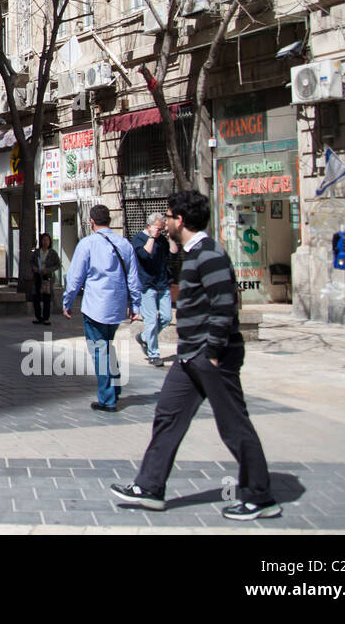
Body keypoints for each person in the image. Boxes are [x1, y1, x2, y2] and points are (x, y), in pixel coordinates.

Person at [112, 190, 281, 520]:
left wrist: (214, 351)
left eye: (168, 215)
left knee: (233, 424)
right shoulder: (193, 253)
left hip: (210, 354)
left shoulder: (209, 254)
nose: (164, 221)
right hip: (189, 356)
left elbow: (225, 304)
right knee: (167, 414)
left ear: (180, 220)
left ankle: (260, 496)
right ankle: (150, 487)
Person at [61, 204, 142, 412]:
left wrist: (67, 302)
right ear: (110, 220)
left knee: (100, 351)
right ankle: (114, 387)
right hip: (116, 306)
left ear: (91, 221)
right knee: (107, 346)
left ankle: (108, 398)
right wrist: (135, 305)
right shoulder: (124, 244)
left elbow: (75, 277)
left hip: (95, 305)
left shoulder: (87, 244)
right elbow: (133, 278)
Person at [132, 212, 176, 367]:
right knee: (150, 321)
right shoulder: (139, 239)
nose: (159, 232)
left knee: (166, 317)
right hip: (147, 285)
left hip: (162, 283)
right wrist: (151, 237)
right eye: (157, 228)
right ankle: (153, 354)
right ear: (149, 226)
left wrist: (170, 237)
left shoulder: (162, 240)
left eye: (161, 229)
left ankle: (144, 337)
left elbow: (173, 255)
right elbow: (144, 255)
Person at [29, 233, 61, 326]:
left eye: (47, 240)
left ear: (49, 241)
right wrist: (34, 268)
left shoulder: (52, 253)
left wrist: (49, 270)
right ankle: (38, 317)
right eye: (44, 240)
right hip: (37, 276)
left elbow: (58, 264)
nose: (45, 242)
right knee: (36, 297)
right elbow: (31, 262)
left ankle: (46, 317)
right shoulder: (37, 252)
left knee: (47, 296)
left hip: (47, 277)